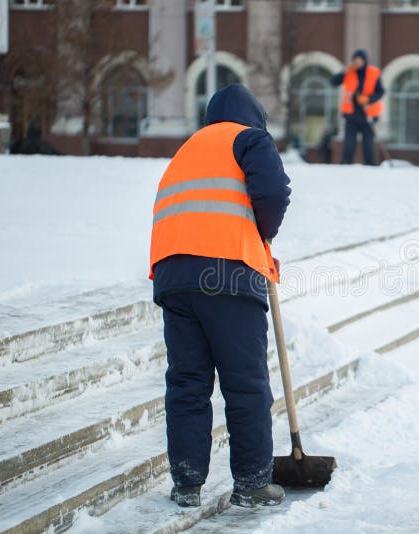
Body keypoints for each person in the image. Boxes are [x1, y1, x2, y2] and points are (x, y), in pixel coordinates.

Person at [149, 84, 291, 509]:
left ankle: (186, 483)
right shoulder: (249, 138)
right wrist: (263, 232)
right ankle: (251, 483)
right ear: (254, 116)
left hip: (173, 277)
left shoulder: (187, 149)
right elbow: (273, 192)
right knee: (244, 384)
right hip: (227, 273)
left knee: (187, 383)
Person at [331, 49, 385, 165]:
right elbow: (333, 82)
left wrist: (368, 99)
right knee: (349, 143)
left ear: (365, 61)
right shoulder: (348, 72)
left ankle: (371, 165)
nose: (358, 62)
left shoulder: (374, 73)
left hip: (368, 114)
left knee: (368, 144)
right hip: (351, 115)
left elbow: (380, 92)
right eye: (356, 60)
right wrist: (343, 73)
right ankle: (345, 164)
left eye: (360, 60)